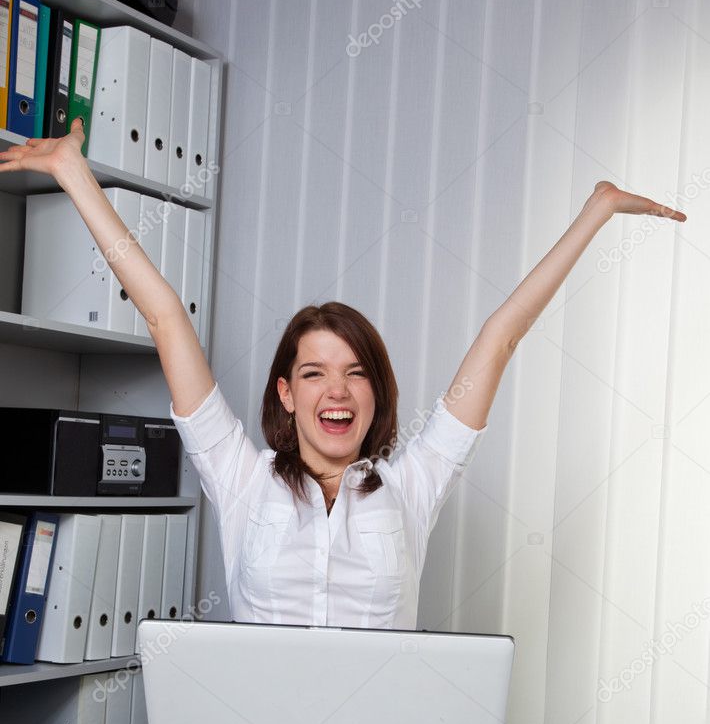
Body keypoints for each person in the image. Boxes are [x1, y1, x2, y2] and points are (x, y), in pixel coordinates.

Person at [0, 118, 686, 629]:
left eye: (356, 373)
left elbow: (500, 336)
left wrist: (596, 211)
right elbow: (164, 317)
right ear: (286, 393)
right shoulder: (242, 479)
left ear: (376, 393)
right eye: (315, 372)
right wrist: (73, 173)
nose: (337, 389)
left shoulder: (412, 485)